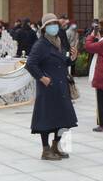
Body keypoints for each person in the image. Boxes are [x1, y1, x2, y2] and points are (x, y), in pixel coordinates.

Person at [26, 12, 77, 160]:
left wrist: (72, 58)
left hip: (61, 86)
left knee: (64, 119)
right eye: (50, 25)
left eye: (55, 24)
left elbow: (63, 62)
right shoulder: (40, 45)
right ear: (44, 28)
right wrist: (42, 78)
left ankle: (56, 146)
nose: (53, 27)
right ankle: (46, 150)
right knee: (46, 120)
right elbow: (30, 64)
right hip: (48, 88)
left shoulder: (59, 41)